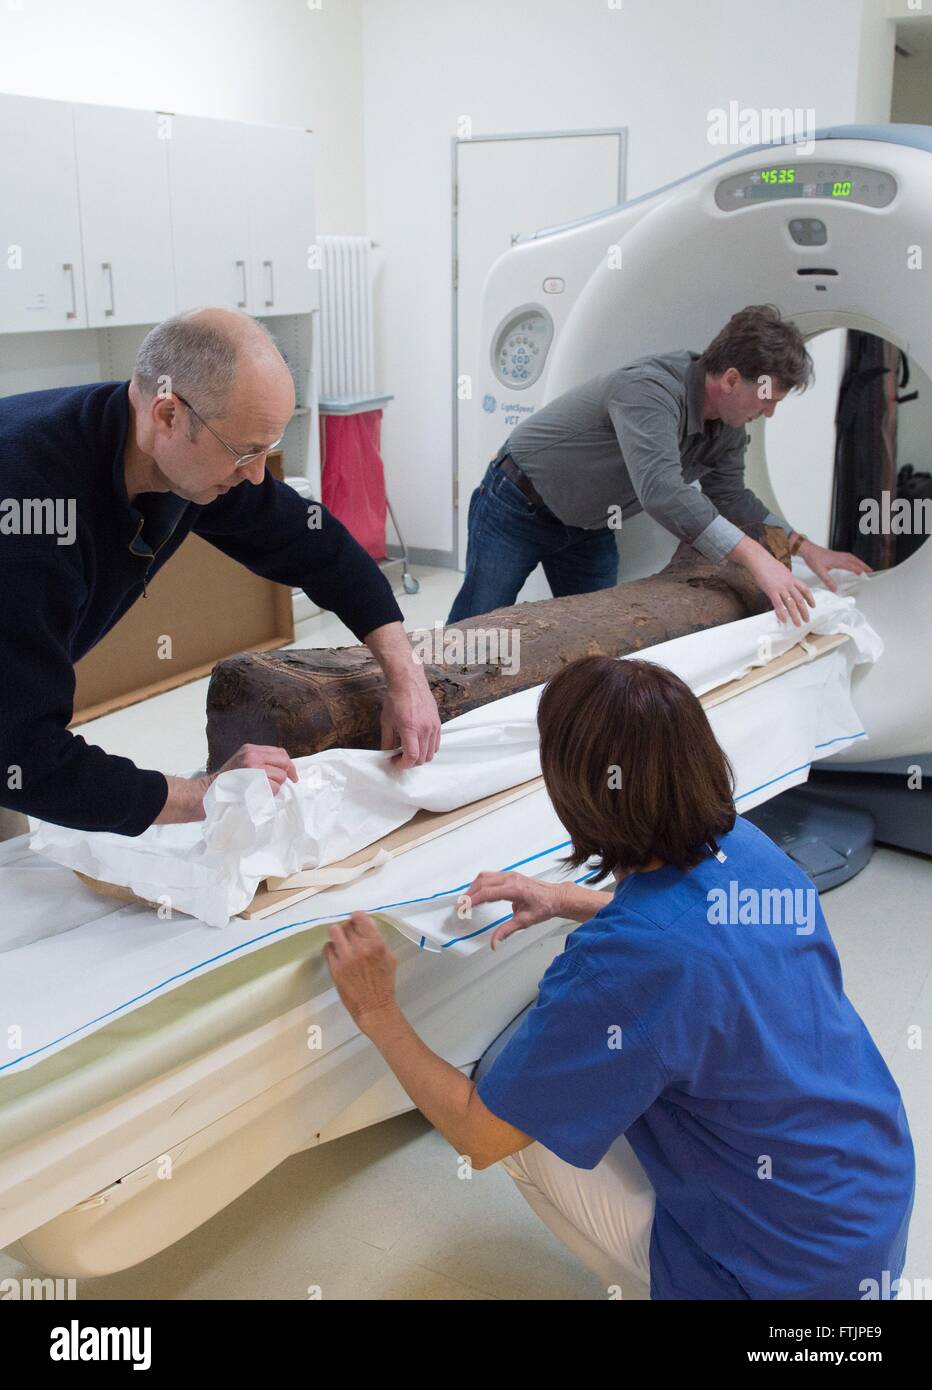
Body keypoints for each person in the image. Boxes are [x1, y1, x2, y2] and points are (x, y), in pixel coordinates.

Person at [324, 654, 914, 1300]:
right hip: (867, 1214)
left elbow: (479, 1135)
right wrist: (562, 897)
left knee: (513, 1105)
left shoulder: (624, 966)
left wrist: (378, 1012)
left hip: (778, 1280)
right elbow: (695, 932)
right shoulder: (751, 850)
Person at [0, 308, 440, 838]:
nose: (257, 474)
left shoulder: (168, 448)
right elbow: (24, 753)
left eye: (267, 451)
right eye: (245, 452)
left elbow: (313, 542)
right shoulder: (29, 515)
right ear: (167, 415)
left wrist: (405, 675)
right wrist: (205, 793)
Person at [448, 304, 871, 625]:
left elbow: (732, 497)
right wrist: (757, 559)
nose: (769, 413)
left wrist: (804, 546)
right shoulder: (649, 390)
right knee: (476, 625)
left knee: (596, 633)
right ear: (730, 380)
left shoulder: (725, 427)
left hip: (588, 527)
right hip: (517, 504)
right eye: (767, 400)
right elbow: (662, 491)